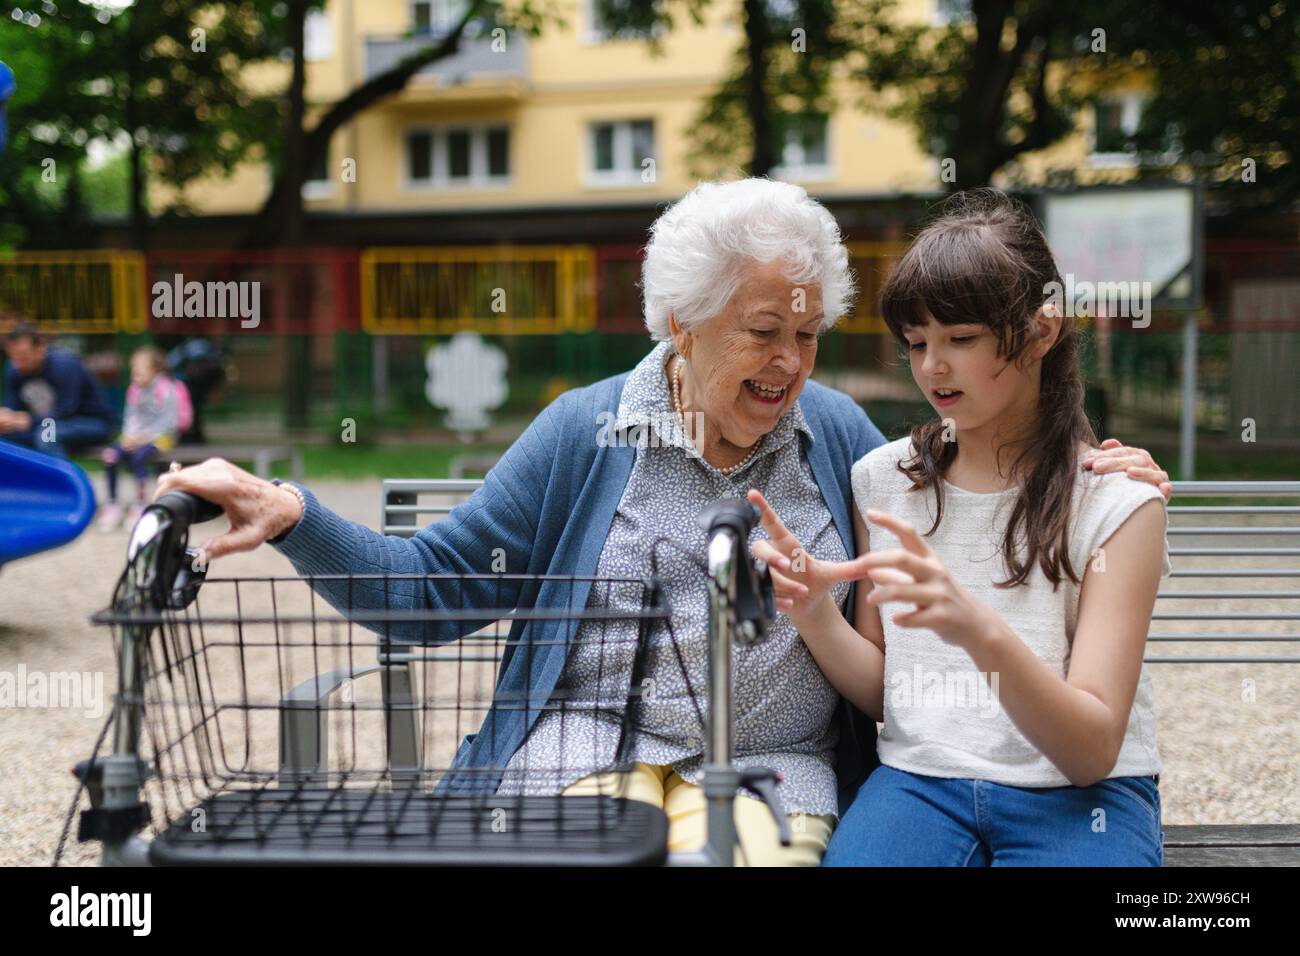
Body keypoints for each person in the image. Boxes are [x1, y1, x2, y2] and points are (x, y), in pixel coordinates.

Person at [154, 178, 1172, 866]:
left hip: (770, 766)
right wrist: (294, 513)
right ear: (679, 323)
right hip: (579, 746)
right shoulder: (582, 433)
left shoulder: (840, 438)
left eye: (809, 334)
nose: (790, 365)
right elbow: (429, 592)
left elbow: (986, 437)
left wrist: (1088, 453)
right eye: (763, 332)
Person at [751, 189, 1169, 866]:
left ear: (1042, 331)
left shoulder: (1120, 502)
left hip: (1077, 795)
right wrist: (812, 612)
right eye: (917, 342)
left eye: (961, 339)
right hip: (922, 783)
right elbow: (892, 694)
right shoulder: (884, 480)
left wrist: (975, 628)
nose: (932, 366)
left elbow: (1091, 751)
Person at [0, 320, 114, 457]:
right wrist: (7, 417)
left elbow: (66, 410)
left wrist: (29, 420)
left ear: (40, 348)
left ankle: (60, 478)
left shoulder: (65, 364)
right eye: (14, 357)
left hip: (92, 423)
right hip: (47, 424)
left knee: (46, 435)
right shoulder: (13, 369)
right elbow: (13, 408)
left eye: (23, 356)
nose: (18, 363)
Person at [98, 347, 183, 530]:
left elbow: (169, 422)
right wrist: (130, 436)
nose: (135, 376)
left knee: (138, 458)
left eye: (139, 371)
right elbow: (131, 417)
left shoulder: (167, 389)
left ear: (155, 370)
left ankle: (140, 504)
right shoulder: (134, 389)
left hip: (161, 437)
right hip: (136, 436)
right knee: (111, 456)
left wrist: (145, 438)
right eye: (133, 371)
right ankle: (113, 504)